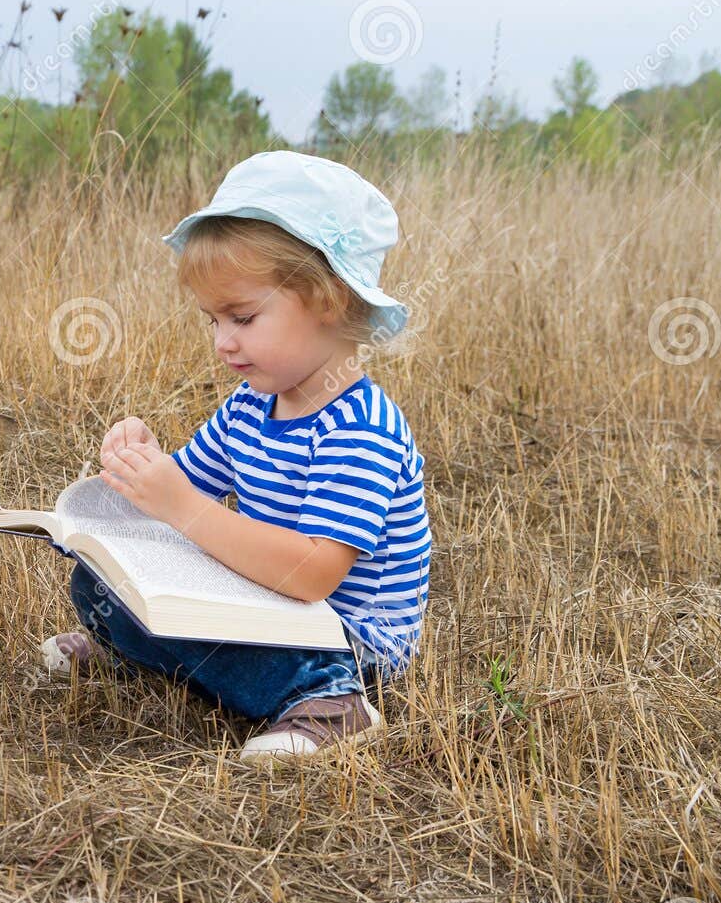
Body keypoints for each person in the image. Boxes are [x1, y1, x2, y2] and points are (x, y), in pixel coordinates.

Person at [41, 150, 432, 764]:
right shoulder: (251, 406)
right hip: (266, 602)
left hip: (340, 637)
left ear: (328, 299)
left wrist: (184, 507)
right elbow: (179, 493)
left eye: (243, 317)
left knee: (233, 636)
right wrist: (141, 465)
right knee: (95, 583)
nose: (224, 342)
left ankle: (332, 704)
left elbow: (310, 575)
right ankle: (147, 649)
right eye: (214, 320)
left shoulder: (362, 429)